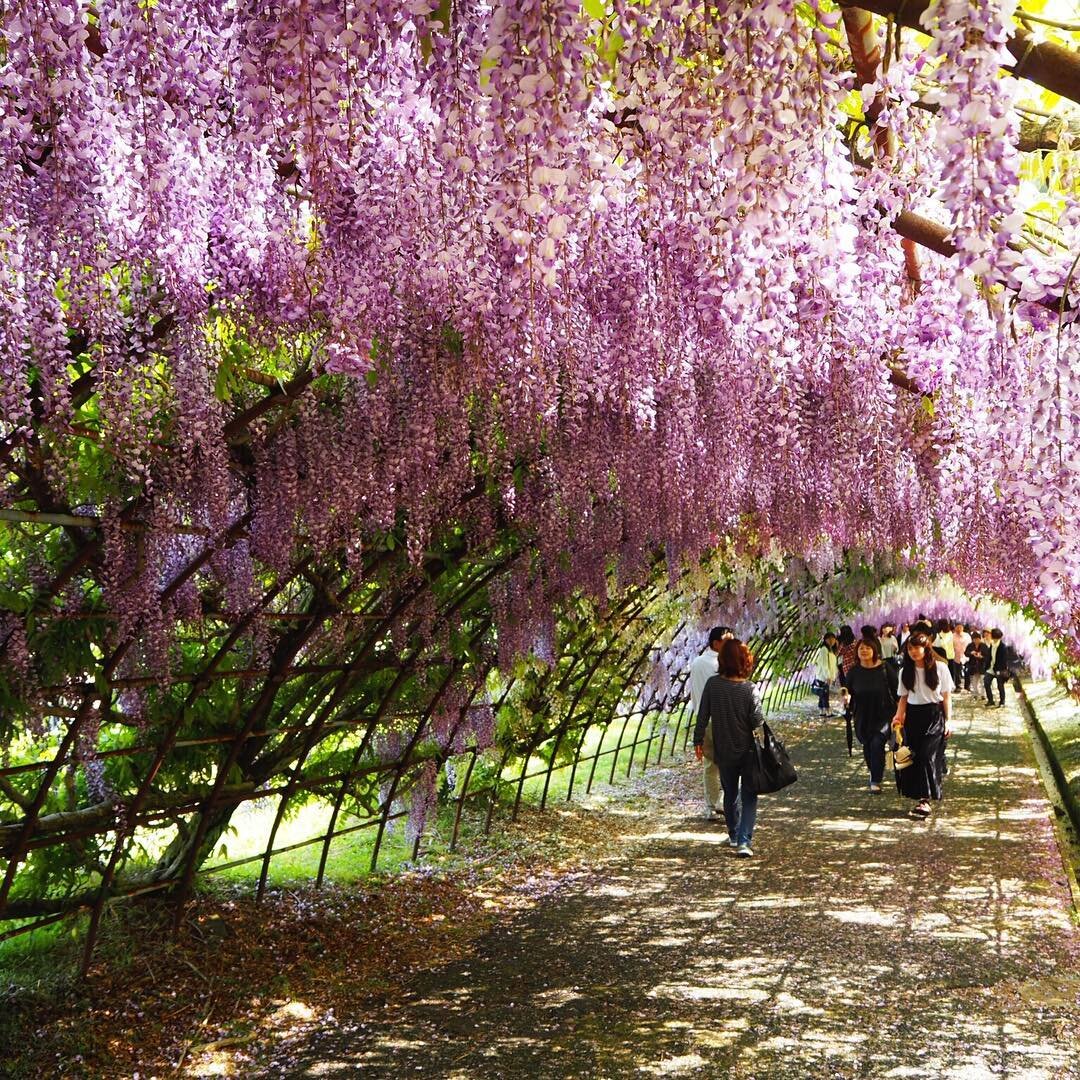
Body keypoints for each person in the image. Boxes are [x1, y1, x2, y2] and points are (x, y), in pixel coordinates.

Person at [694, 639, 765, 857]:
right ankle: (744, 840)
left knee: (731, 790)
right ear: (745, 661)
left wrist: (698, 741)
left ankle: (734, 834)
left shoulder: (713, 685)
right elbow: (757, 720)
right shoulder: (749, 688)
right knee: (749, 794)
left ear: (722, 660)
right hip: (747, 750)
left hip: (723, 748)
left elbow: (703, 715)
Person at [891, 630, 953, 820]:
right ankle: (921, 798)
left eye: (917, 647)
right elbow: (903, 697)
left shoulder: (940, 668)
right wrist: (898, 716)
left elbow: (946, 696)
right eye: (910, 648)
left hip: (934, 715)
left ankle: (925, 800)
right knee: (915, 758)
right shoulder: (905, 671)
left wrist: (949, 720)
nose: (914, 652)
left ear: (926, 648)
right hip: (913, 717)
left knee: (926, 755)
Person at [688, 626, 734, 818]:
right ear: (716, 643)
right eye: (728, 641)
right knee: (729, 763)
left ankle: (711, 806)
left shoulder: (696, 663)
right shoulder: (721, 663)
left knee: (710, 765)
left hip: (703, 719)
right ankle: (726, 802)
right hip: (722, 720)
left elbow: (693, 695)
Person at [841, 636, 895, 793]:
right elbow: (846, 690)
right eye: (861, 648)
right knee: (868, 745)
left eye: (868, 648)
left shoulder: (885, 668)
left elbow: (897, 689)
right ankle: (875, 770)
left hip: (884, 713)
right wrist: (846, 698)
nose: (864, 651)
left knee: (877, 742)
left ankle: (875, 780)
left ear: (875, 650)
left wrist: (901, 714)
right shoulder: (854, 672)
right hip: (862, 715)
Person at [983, 628, 1015, 708]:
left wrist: (998, 670)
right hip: (991, 668)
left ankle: (1002, 702)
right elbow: (989, 656)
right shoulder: (992, 644)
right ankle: (990, 700)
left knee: (1000, 685)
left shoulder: (1002, 647)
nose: (995, 639)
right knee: (986, 682)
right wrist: (987, 666)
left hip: (999, 669)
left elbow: (1003, 661)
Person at [812, 632, 840, 718]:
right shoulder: (824, 649)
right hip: (823, 676)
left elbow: (832, 664)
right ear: (825, 640)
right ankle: (828, 711)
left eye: (833, 638)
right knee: (825, 693)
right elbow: (824, 664)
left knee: (822, 693)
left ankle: (821, 711)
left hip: (827, 675)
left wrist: (833, 675)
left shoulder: (831, 650)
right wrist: (828, 676)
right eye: (829, 639)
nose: (831, 640)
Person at [950, 623, 970, 690]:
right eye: (957, 627)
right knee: (957, 672)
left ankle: (967, 686)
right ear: (955, 628)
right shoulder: (952, 636)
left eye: (960, 627)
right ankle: (958, 686)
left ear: (962, 628)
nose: (958, 629)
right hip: (956, 656)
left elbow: (970, 645)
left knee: (967, 671)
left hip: (966, 656)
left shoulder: (967, 635)